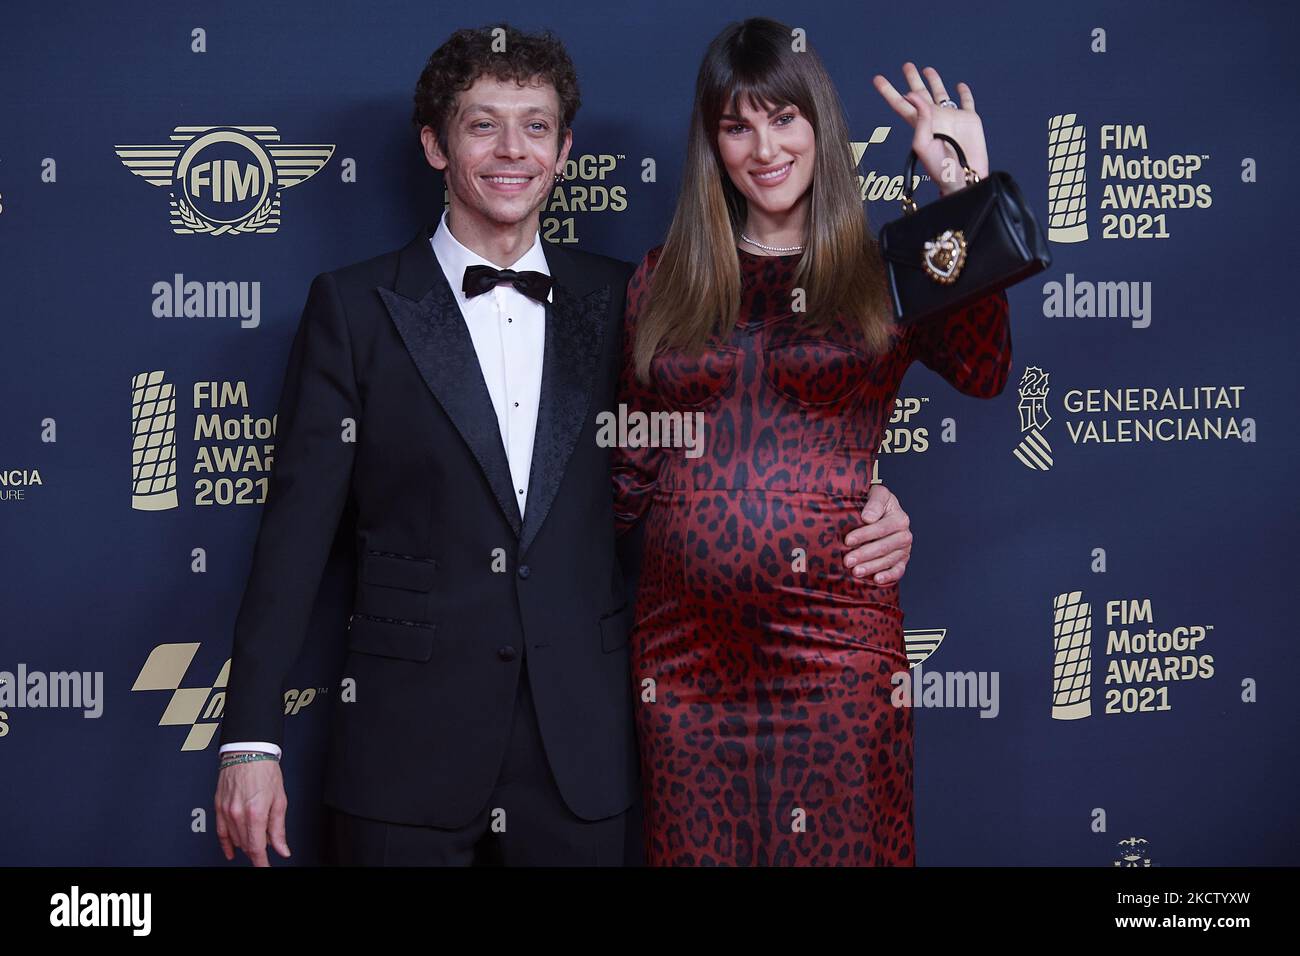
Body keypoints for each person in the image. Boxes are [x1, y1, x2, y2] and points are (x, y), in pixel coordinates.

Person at [213, 23, 915, 867]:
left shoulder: (635, 298)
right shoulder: (354, 309)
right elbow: (292, 542)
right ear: (435, 145)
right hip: (403, 757)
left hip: (583, 758)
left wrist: (861, 494)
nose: (513, 150)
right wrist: (250, 740)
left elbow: (738, 427)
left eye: (536, 126)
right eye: (483, 125)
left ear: (565, 147)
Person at [611, 18, 1012, 866]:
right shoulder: (660, 279)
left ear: (819, 125)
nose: (764, 147)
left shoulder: (888, 271)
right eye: (737, 125)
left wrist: (961, 188)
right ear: (711, 143)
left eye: (783, 118)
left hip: (836, 654)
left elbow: (983, 367)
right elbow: (626, 474)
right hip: (682, 666)